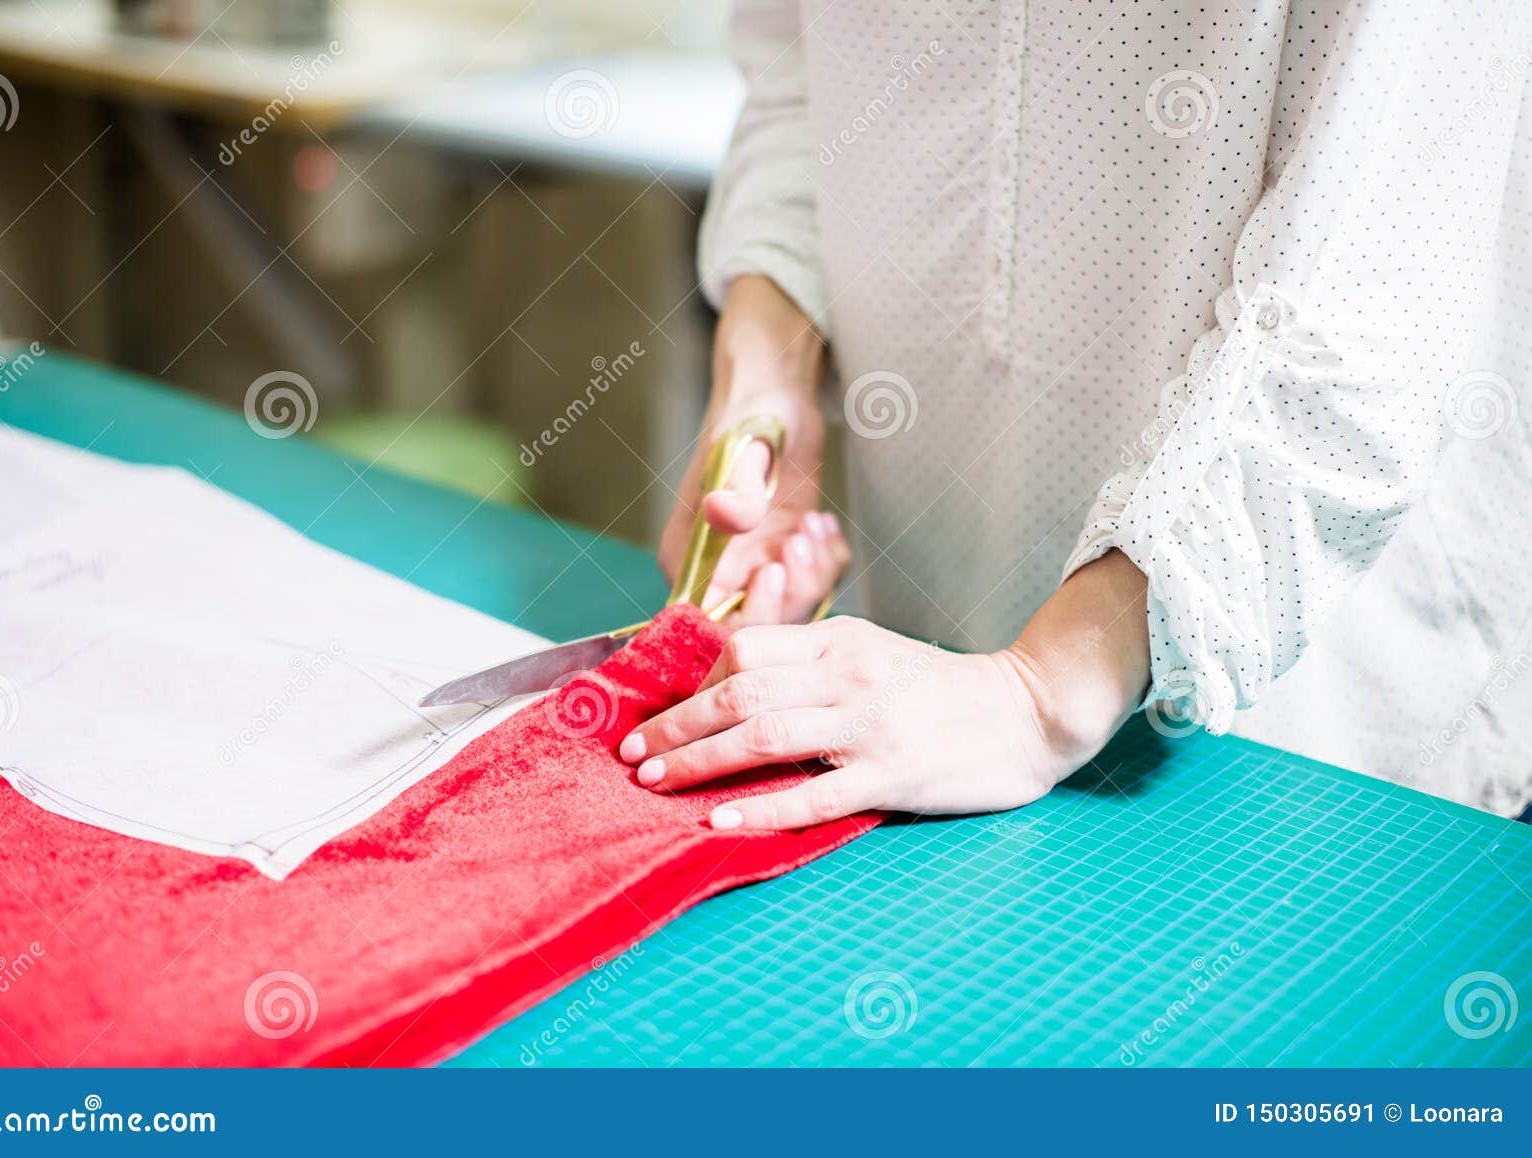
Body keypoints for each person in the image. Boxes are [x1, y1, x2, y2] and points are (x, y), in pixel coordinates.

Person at [619, 0, 1532, 828]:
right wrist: (770, 373)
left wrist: (1037, 693)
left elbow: (1368, 297)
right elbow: (797, 79)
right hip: (934, 643)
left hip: (1310, 719)